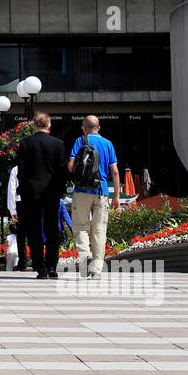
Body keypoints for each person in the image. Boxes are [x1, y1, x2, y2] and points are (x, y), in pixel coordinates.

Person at [14, 112, 68, 279]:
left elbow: (21, 170)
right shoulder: (58, 144)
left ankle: (40, 268)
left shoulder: (25, 143)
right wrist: (60, 189)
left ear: (34, 125)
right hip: (52, 191)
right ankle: (52, 266)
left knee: (34, 230)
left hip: (31, 192)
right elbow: (61, 170)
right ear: (49, 125)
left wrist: (22, 187)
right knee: (52, 229)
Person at [66, 115, 121, 279]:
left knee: (80, 226)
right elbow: (115, 172)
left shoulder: (80, 141)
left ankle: (86, 257)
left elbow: (70, 166)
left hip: (81, 191)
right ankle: (96, 269)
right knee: (99, 230)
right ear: (99, 127)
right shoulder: (108, 144)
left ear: (84, 128)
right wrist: (116, 196)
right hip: (102, 192)